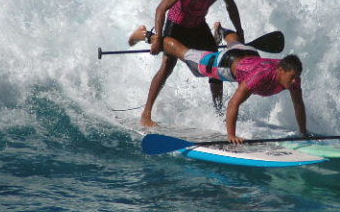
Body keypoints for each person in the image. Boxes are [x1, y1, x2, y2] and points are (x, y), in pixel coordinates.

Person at [128, 24, 308, 144]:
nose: (294, 82)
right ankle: (147, 35)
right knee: (185, 53)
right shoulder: (259, 76)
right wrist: (231, 135)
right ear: (281, 70)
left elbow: (298, 104)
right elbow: (233, 103)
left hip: (249, 53)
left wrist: (303, 131)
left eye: (296, 78)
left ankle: (221, 30)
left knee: (236, 43)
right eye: (291, 77)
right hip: (225, 64)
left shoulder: (293, 78)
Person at [129, 0, 244, 127]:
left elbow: (231, 6)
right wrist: (159, 38)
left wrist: (240, 31)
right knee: (167, 66)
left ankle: (220, 114)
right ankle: (146, 115)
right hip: (176, 25)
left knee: (216, 66)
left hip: (198, 25)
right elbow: (161, 9)